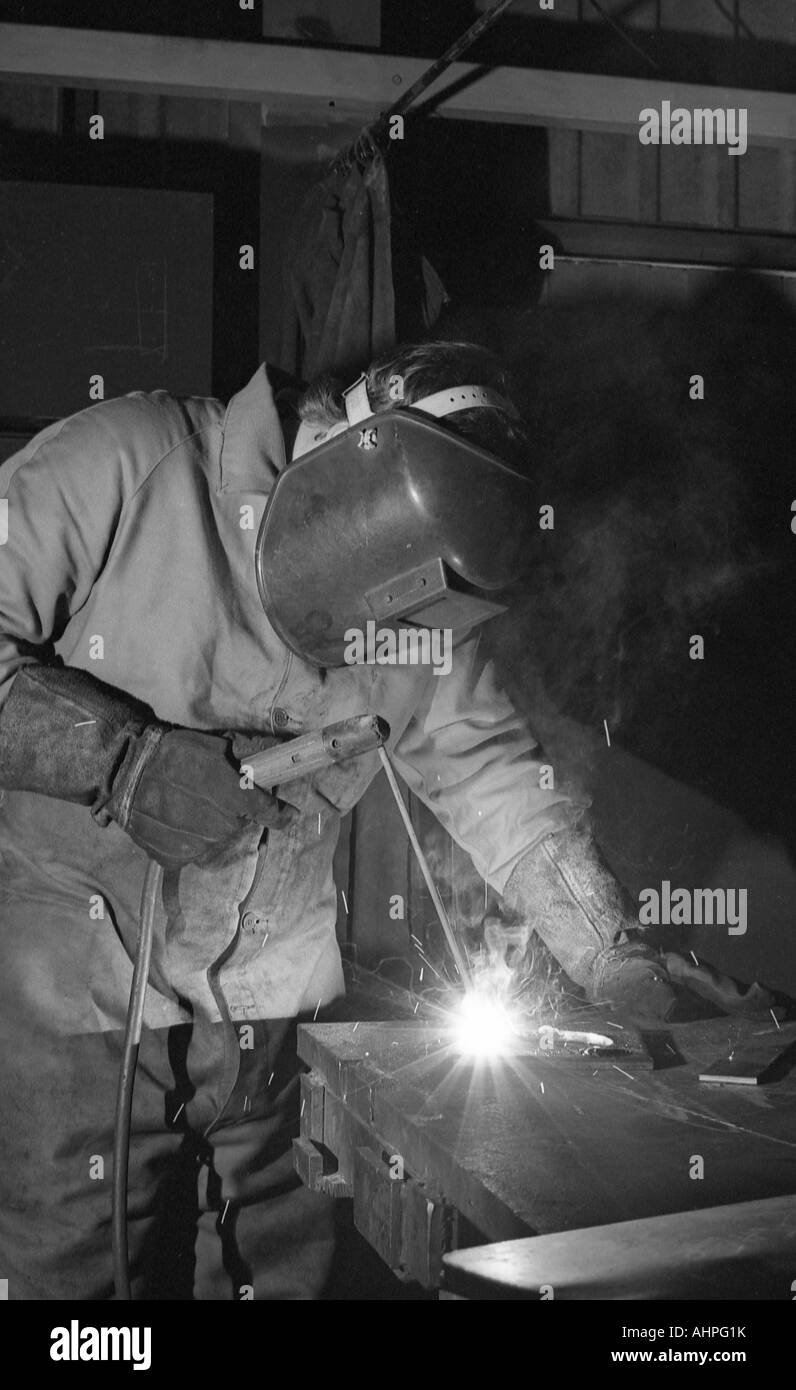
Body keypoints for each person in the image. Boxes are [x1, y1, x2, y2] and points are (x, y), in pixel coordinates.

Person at [0, 342, 674, 1300]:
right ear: (340, 449)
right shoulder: (127, 462)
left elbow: (492, 777)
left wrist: (609, 949)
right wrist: (117, 757)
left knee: (278, 1280)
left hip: (272, 1027)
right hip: (73, 1015)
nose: (386, 633)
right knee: (81, 1300)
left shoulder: (424, 585)